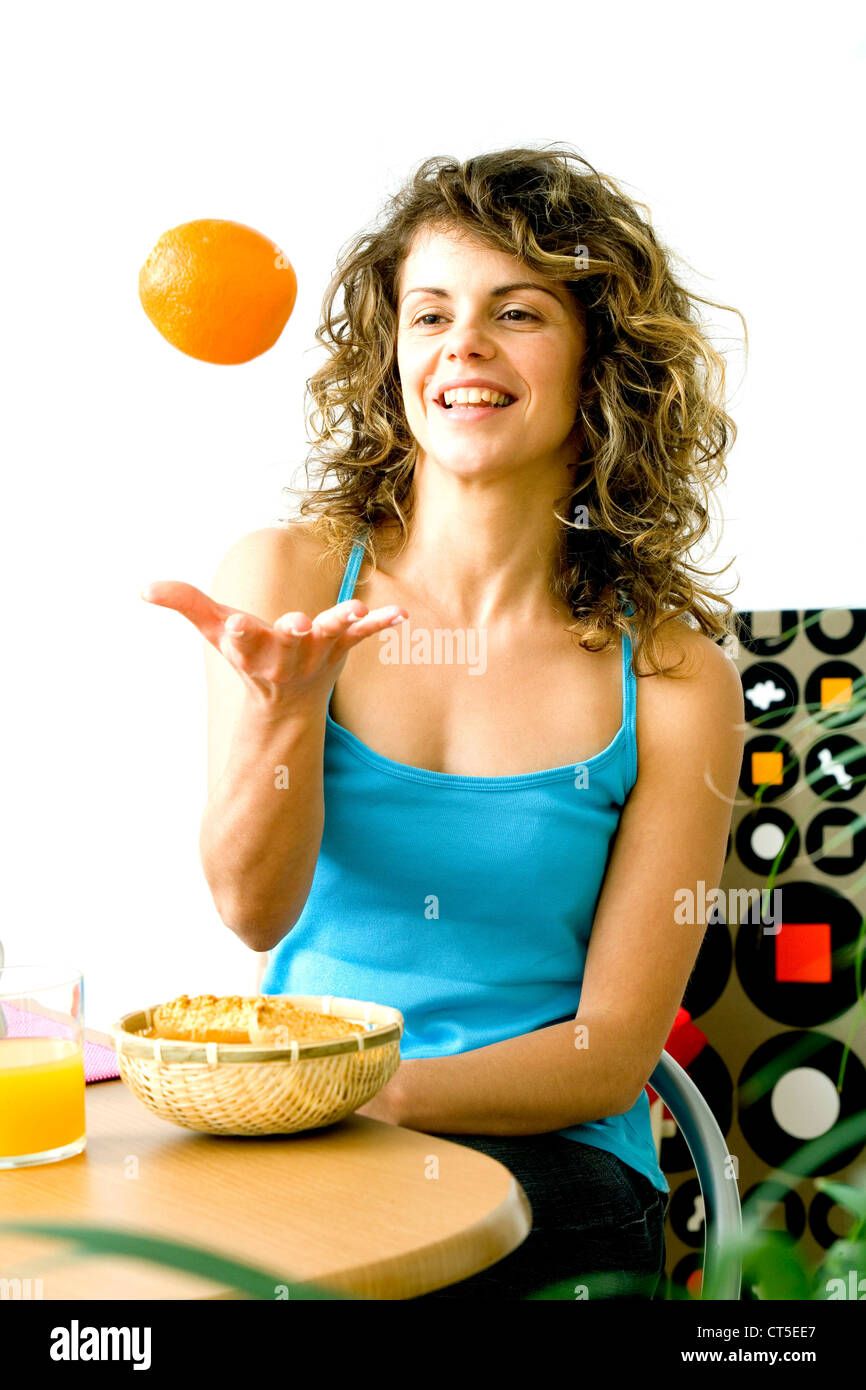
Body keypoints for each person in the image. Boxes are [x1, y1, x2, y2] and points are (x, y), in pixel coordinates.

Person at [141, 145, 747, 1300]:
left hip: (548, 1163)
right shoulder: (286, 574)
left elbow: (610, 1053)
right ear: (395, 360)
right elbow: (249, 910)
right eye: (429, 315)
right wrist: (285, 716)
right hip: (299, 1140)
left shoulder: (671, 678)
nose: (461, 345)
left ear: (597, 360)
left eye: (513, 312)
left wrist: (381, 1092)